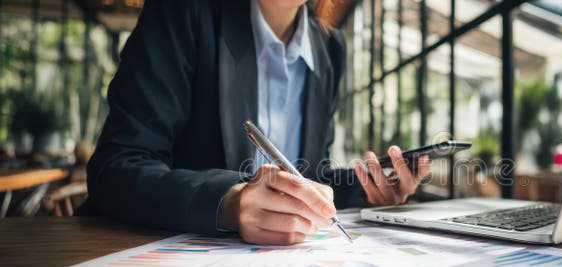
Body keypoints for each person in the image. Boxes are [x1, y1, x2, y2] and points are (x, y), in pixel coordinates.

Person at [81, 0, 430, 245]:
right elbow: (116, 168)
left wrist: (369, 190)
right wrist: (228, 202)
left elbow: (309, 174)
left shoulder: (330, 48)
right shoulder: (182, 11)